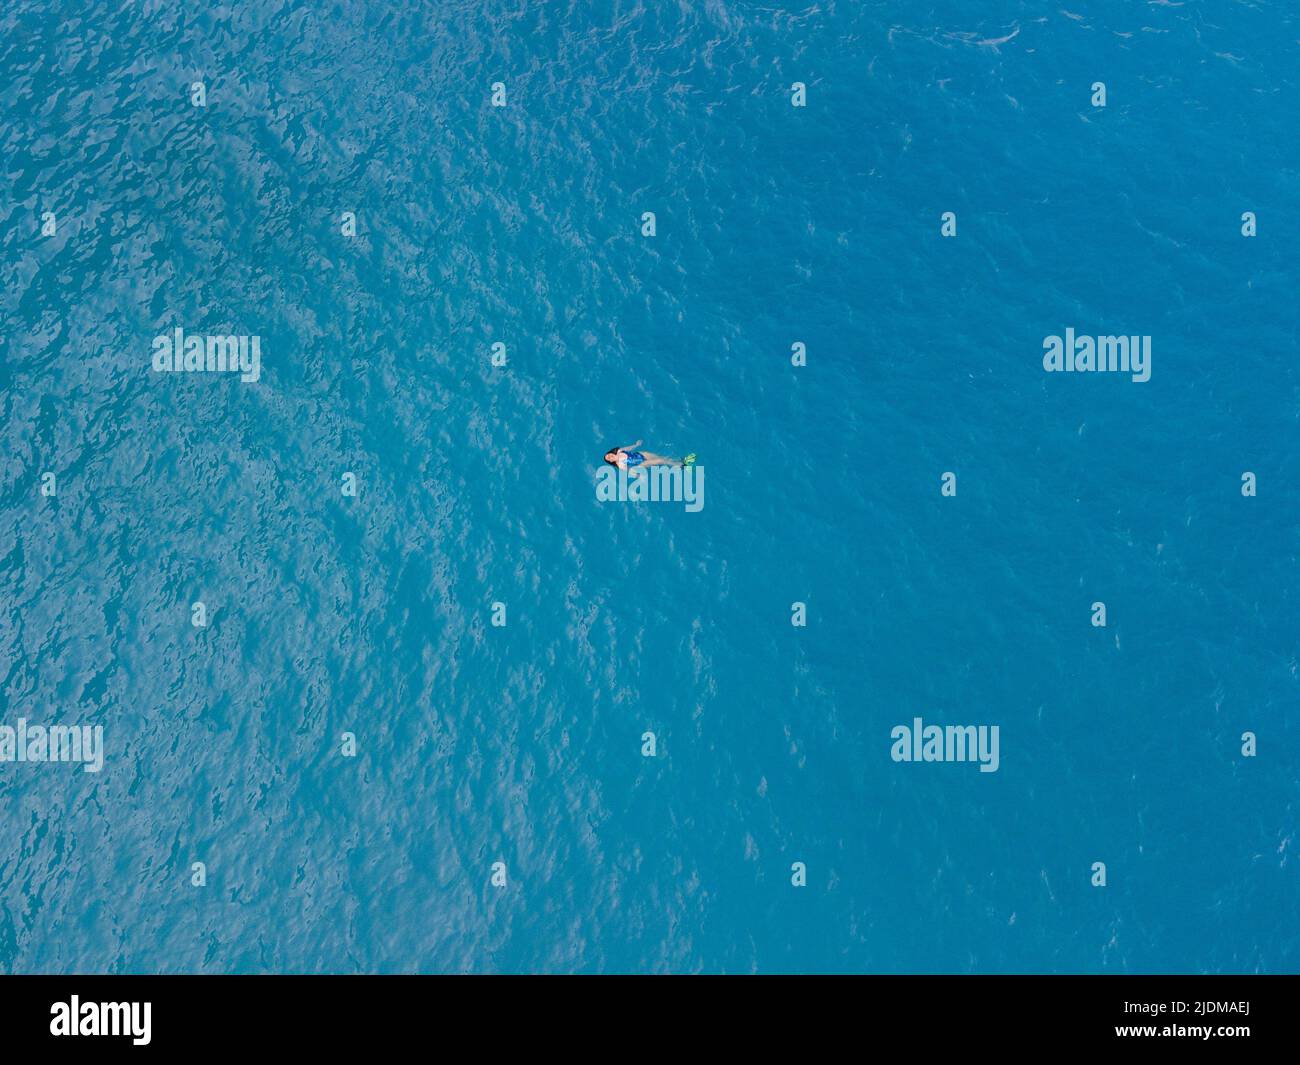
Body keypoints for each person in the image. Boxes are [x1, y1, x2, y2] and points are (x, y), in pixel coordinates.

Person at [603, 440, 687, 469]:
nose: (610, 457)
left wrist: (636, 445)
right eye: (609, 459)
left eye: (609, 455)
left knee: (661, 458)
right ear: (611, 461)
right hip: (640, 464)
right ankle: (680, 465)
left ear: (611, 452)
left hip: (641, 454)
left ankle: (677, 461)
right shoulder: (620, 465)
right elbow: (629, 471)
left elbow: (629, 448)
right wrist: (637, 475)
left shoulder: (619, 450)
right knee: (660, 461)